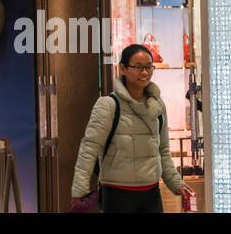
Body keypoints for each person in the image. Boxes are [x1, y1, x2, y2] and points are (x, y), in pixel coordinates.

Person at [70, 43, 188, 212]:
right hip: (117, 194)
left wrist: (177, 184)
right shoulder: (109, 105)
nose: (145, 72)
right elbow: (89, 148)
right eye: (138, 67)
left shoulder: (157, 106)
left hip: (151, 194)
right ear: (123, 69)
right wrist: (79, 190)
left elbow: (163, 151)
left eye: (148, 67)